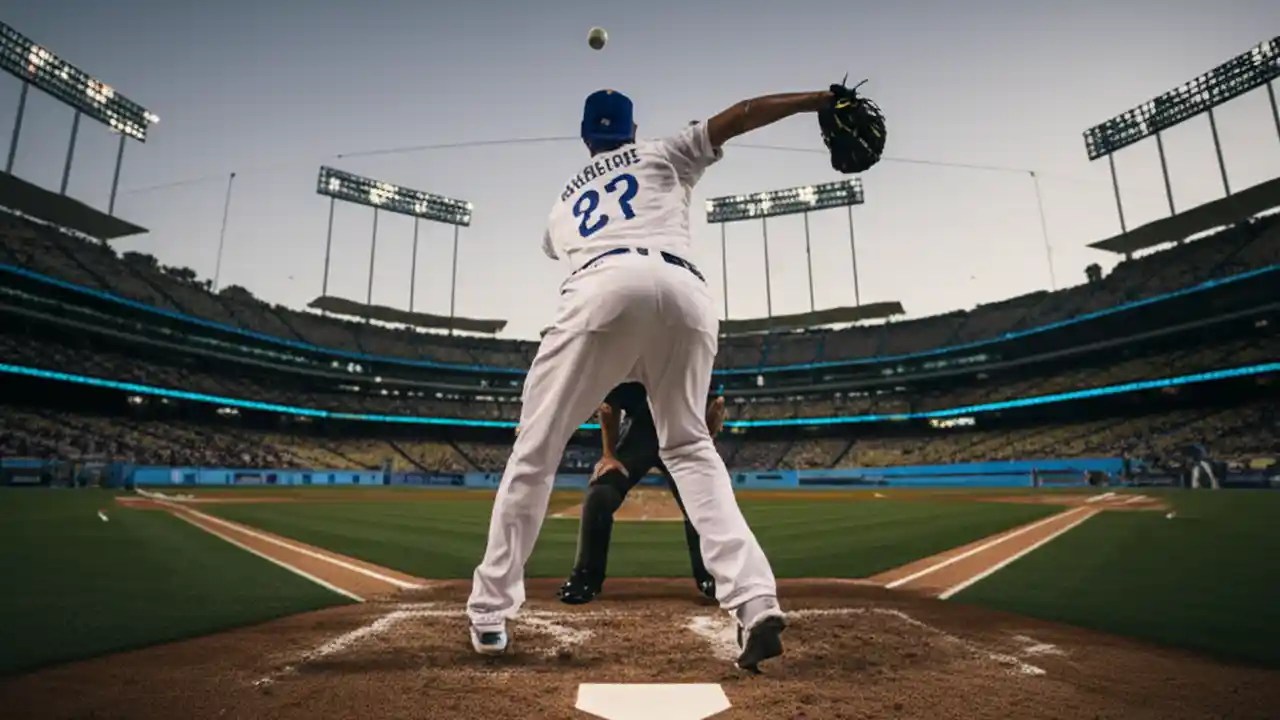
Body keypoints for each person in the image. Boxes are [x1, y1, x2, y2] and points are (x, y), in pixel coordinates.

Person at [467, 86, 841, 672]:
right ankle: (754, 599)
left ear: (587, 137)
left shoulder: (561, 207)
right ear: (632, 130)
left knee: (534, 454)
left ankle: (490, 613)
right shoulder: (662, 153)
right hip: (686, 297)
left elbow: (550, 245)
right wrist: (819, 99)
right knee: (692, 450)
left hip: (601, 289)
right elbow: (739, 117)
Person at [557, 383, 725, 605]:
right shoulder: (689, 352)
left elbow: (609, 407)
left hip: (644, 435)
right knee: (701, 499)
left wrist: (610, 455)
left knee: (601, 492)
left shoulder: (635, 358)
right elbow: (716, 405)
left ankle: (585, 579)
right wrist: (707, 440)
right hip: (678, 436)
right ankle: (711, 578)